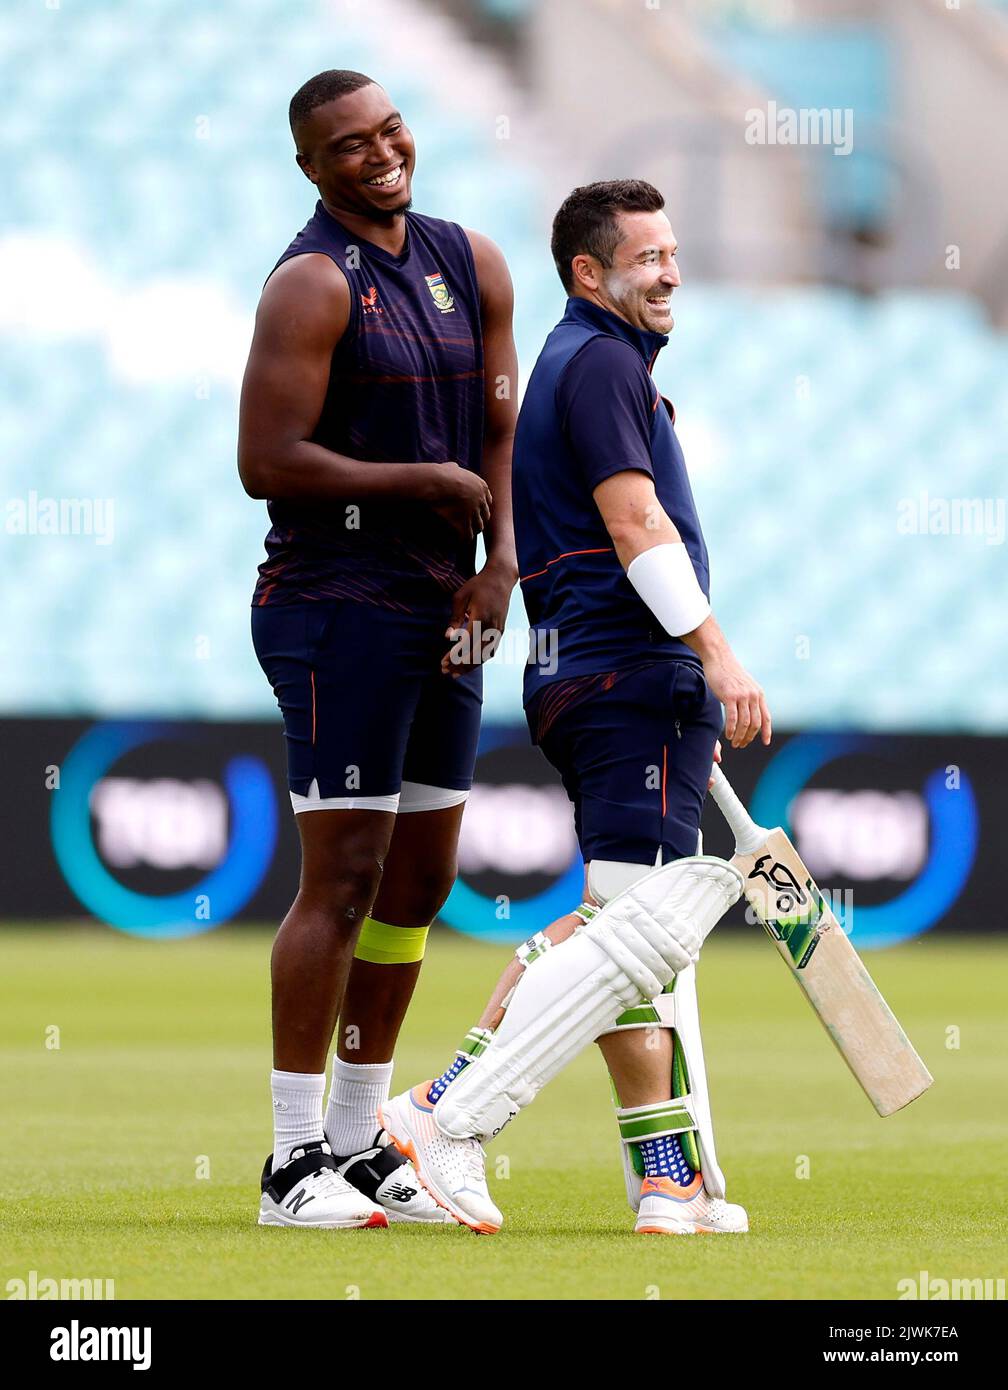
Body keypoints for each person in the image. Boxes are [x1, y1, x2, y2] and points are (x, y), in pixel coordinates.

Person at [381, 180, 771, 1236]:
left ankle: (669, 1179)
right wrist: (717, 655)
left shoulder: (586, 363)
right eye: (648, 257)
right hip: (627, 672)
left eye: (675, 252)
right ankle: (441, 1113)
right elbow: (637, 523)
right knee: (634, 934)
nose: (671, 271)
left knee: (642, 935)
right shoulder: (597, 360)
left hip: (591, 674)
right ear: (590, 273)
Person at [237, 70, 518, 1228]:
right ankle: (290, 1159)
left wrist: (499, 565)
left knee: (418, 882)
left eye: (390, 129)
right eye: (349, 146)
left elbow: (501, 427)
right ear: (313, 168)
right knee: (343, 879)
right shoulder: (310, 283)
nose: (380, 153)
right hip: (337, 601)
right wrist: (424, 484)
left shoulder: (474, 261)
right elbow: (267, 458)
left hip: (448, 603)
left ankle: (361, 1145)